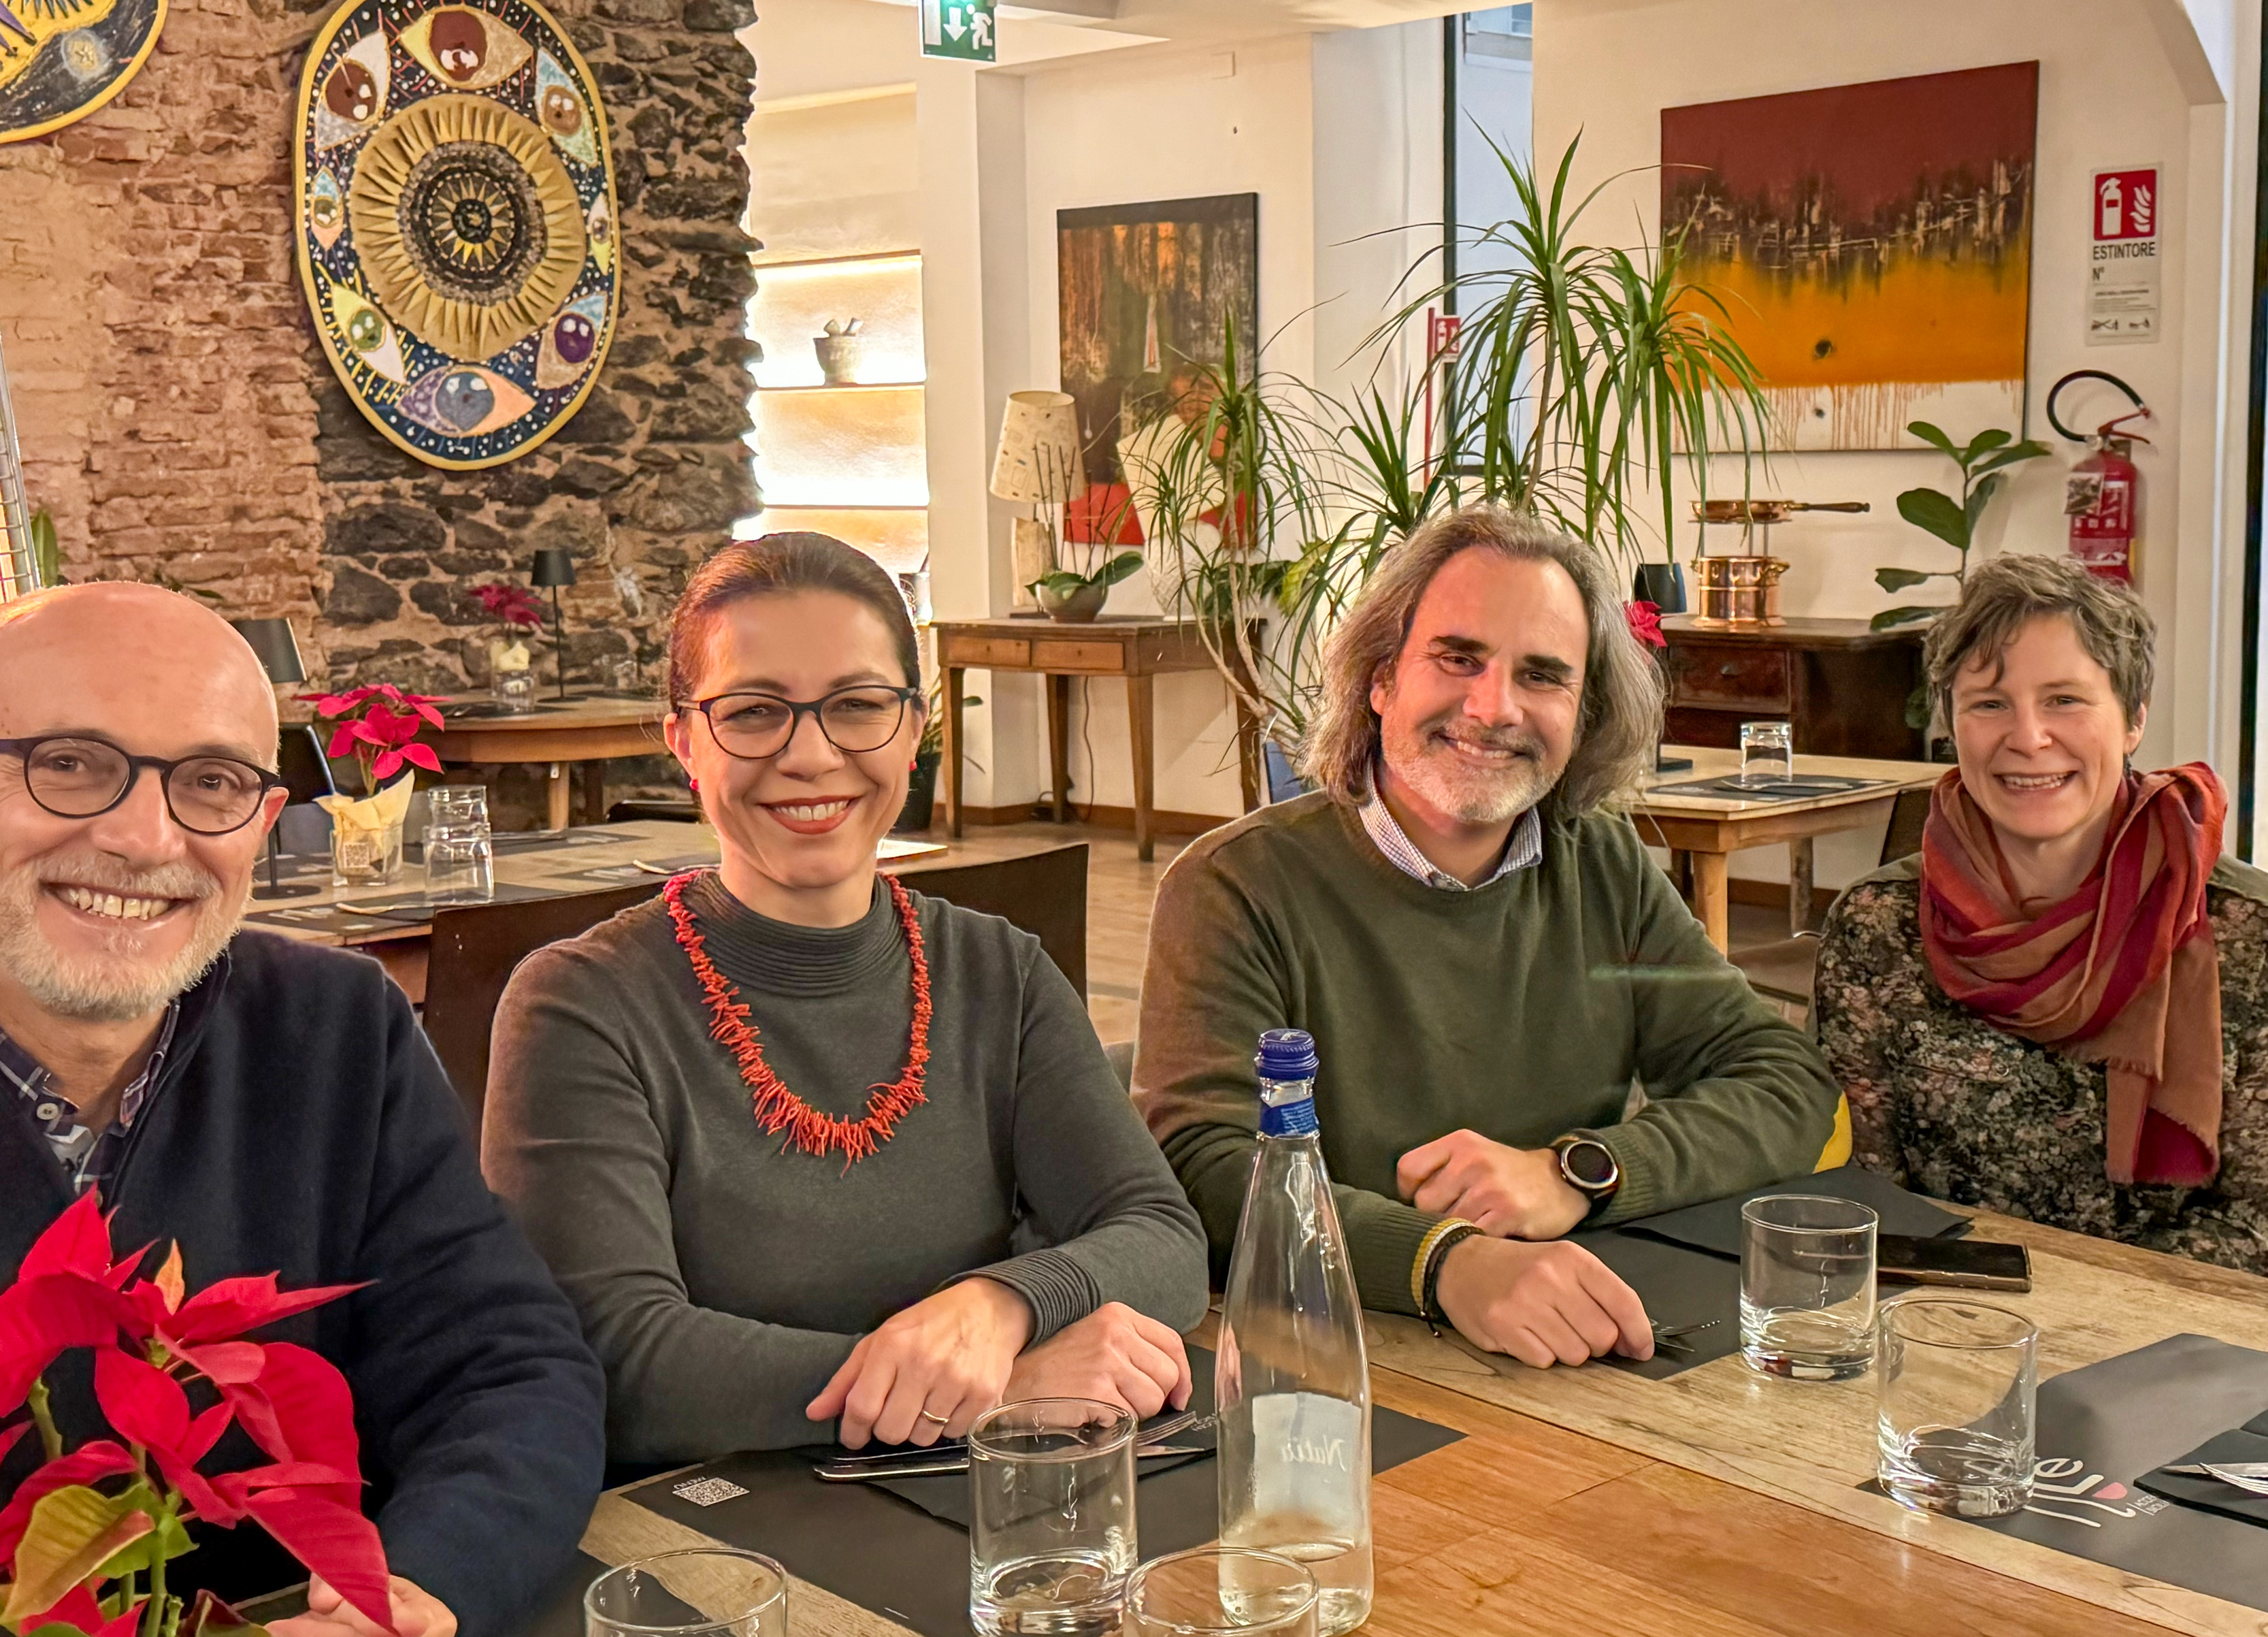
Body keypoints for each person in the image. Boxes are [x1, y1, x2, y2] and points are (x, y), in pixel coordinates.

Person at [482, 534, 1210, 1463]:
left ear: (914, 728)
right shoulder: (580, 1006)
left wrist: (999, 1307)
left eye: (859, 706)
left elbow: (1162, 1236)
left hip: (978, 1511)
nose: (810, 755)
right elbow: (618, 1363)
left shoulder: (1000, 971)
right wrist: (999, 1390)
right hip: (712, 1540)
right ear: (682, 745)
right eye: (752, 714)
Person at [0, 585, 604, 1637]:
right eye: (69, 764)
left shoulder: (333, 1027)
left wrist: (412, 1592)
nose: (147, 837)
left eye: (212, 782)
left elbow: (503, 1367)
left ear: (264, 822)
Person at [1133, 510, 1843, 1369]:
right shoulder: (1235, 887)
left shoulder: (1602, 863)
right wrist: (1447, 1262)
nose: (1493, 707)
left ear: (1584, 715)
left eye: (1543, 675)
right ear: (1380, 678)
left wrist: (1580, 1171)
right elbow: (1202, 1170)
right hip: (1335, 1368)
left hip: (1569, 1357)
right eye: (1458, 657)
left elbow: (1785, 1082)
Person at [1813, 553, 2268, 1273]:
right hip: (1946, 1316)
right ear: (1951, 724)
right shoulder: (1877, 927)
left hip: (2185, 1348)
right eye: (1989, 703)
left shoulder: (2250, 933)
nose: (2027, 737)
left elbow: (2260, 1220)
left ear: (2134, 719)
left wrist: (2077, 1304)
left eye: (2064, 699)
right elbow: (1864, 1194)